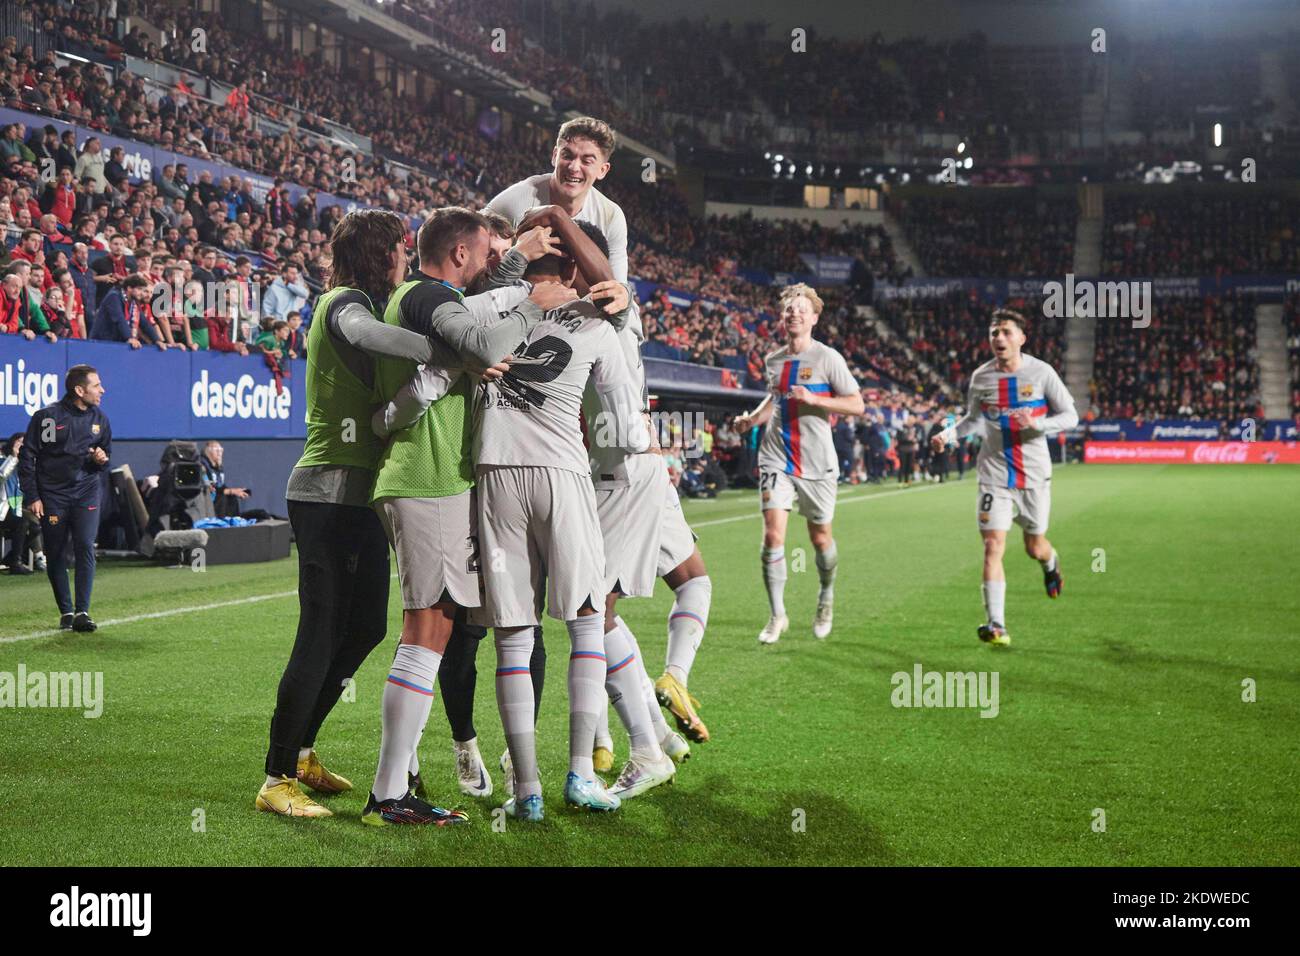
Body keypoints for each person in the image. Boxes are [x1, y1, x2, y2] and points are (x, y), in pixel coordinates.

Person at [487, 116, 716, 761]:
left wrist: (560, 237)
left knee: (590, 611)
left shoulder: (602, 275)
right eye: (567, 154)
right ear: (553, 155)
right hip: (638, 455)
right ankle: (660, 722)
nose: (575, 166)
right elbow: (478, 256)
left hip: (611, 465)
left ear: (603, 167)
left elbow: (609, 294)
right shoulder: (514, 202)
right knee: (691, 579)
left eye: (588, 157)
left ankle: (607, 746)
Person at [257, 210, 451, 821]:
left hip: (357, 496)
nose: (404, 257)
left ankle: (304, 748)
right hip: (326, 495)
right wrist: (447, 348)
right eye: (398, 247)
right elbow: (365, 335)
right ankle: (275, 777)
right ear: (378, 252)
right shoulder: (343, 301)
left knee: (365, 626)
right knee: (319, 632)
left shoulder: (367, 301)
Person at [468, 218, 649, 820]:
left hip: (495, 472)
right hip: (564, 475)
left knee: (514, 634)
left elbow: (455, 313)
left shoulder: (492, 303)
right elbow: (624, 416)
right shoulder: (602, 320)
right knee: (585, 622)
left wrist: (508, 266)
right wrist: (621, 304)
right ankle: (579, 772)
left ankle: (527, 791)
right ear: (577, 264)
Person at [930, 308, 1077, 646]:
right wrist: (948, 435)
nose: (998, 338)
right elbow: (972, 420)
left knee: (1034, 546)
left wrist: (1038, 424)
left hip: (1034, 477)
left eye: (1006, 332)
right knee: (992, 547)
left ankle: (1051, 564)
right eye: (994, 332)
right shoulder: (981, 378)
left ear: (1022, 338)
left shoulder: (1041, 373)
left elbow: (1070, 415)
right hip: (994, 476)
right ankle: (996, 624)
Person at [732, 284, 864, 644]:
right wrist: (751, 421)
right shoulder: (774, 360)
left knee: (820, 539)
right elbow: (774, 400)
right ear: (782, 316)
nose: (795, 314)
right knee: (773, 534)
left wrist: (817, 400)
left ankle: (826, 597)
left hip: (818, 464)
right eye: (789, 309)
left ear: (815, 318)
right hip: (776, 457)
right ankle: (777, 615)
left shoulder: (828, 359)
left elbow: (856, 404)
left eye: (802, 309)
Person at [17, 365, 111, 632]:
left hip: (86, 492)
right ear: (79, 390)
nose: (102, 390)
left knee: (84, 545)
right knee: (56, 553)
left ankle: (83, 611)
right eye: (96, 385)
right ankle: (66, 612)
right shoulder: (48, 418)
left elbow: (104, 456)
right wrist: (33, 495)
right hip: (54, 496)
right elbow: (31, 456)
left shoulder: (99, 420)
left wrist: (100, 460)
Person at [1, 432, 45, 574]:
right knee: (23, 523)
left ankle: (13, 558)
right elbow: (1, 476)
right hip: (2, 510)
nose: (22, 446)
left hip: (14, 508)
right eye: (20, 442)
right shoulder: (3, 458)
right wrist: (13, 456)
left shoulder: (25, 464)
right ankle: (15, 562)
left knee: (35, 523)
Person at [199, 442, 249, 518]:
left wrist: (234, 491)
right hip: (206, 500)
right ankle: (220, 523)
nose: (220, 453)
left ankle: (234, 520)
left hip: (216, 496)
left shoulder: (218, 467)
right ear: (208, 452)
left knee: (232, 497)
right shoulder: (202, 467)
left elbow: (220, 486)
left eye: (221, 450)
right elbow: (209, 488)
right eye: (216, 450)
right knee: (223, 497)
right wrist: (231, 491)